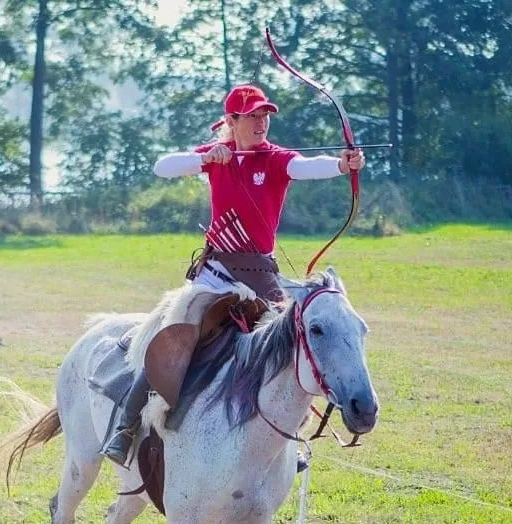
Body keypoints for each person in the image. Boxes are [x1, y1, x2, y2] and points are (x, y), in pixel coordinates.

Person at [102, 83, 366, 467]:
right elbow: (163, 166)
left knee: (288, 348)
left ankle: (290, 441)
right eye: (254, 116)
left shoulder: (274, 159)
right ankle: (126, 427)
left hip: (260, 276)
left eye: (266, 116)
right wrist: (208, 157)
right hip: (215, 274)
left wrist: (342, 165)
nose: (262, 122)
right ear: (232, 121)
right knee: (172, 336)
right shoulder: (217, 157)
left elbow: (305, 167)